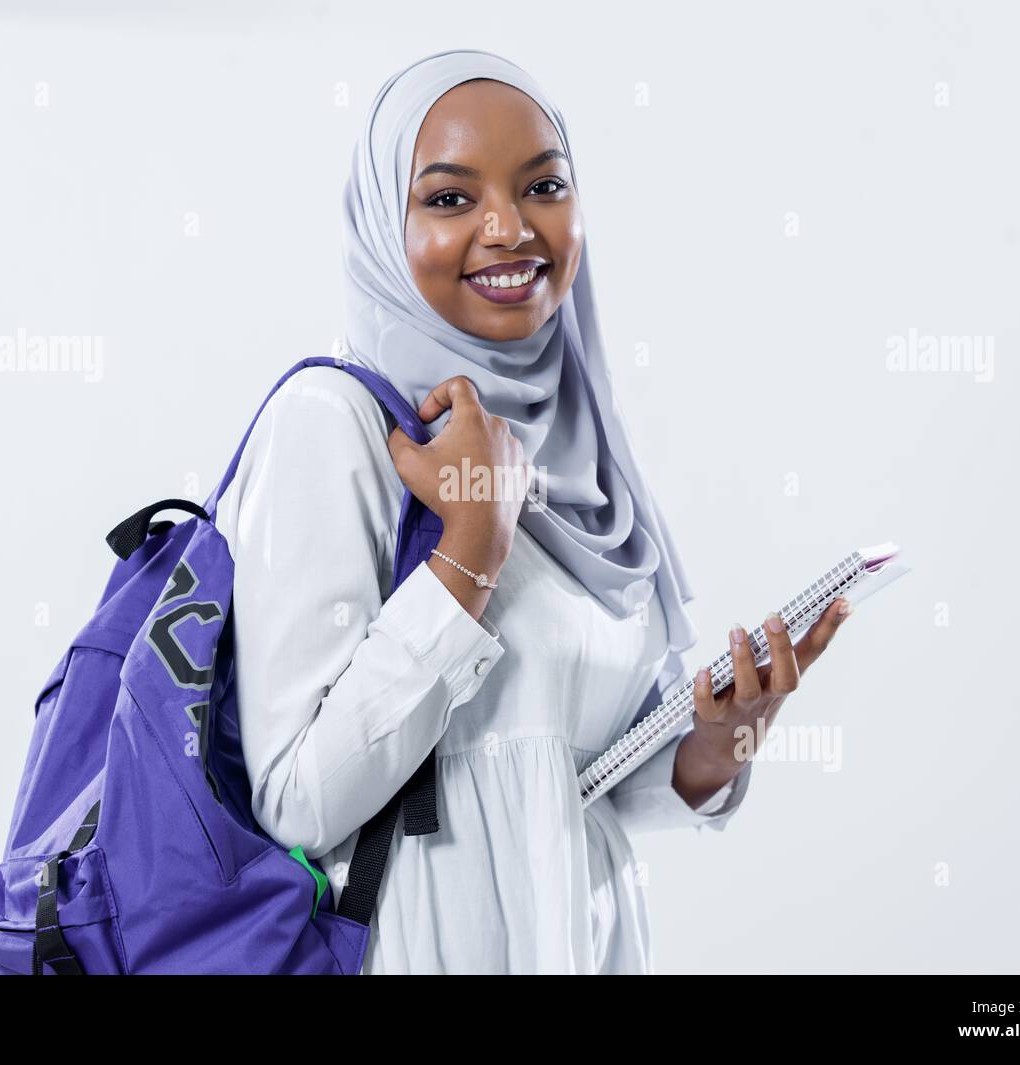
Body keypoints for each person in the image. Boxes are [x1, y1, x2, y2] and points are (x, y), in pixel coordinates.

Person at [212, 48, 850, 974]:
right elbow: (298, 798)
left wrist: (716, 743)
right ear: (383, 227)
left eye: (542, 185)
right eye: (449, 198)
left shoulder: (583, 451)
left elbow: (574, 776)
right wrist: (472, 542)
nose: (508, 228)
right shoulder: (336, 425)